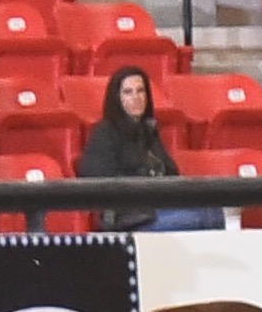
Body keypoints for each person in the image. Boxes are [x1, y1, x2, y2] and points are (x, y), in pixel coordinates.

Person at [78, 67, 222, 231]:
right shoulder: (104, 133)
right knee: (198, 218)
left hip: (158, 209)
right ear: (117, 98)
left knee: (213, 211)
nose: (136, 97)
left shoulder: (148, 130)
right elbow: (99, 183)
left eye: (140, 91)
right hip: (128, 219)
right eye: (128, 92)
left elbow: (171, 173)